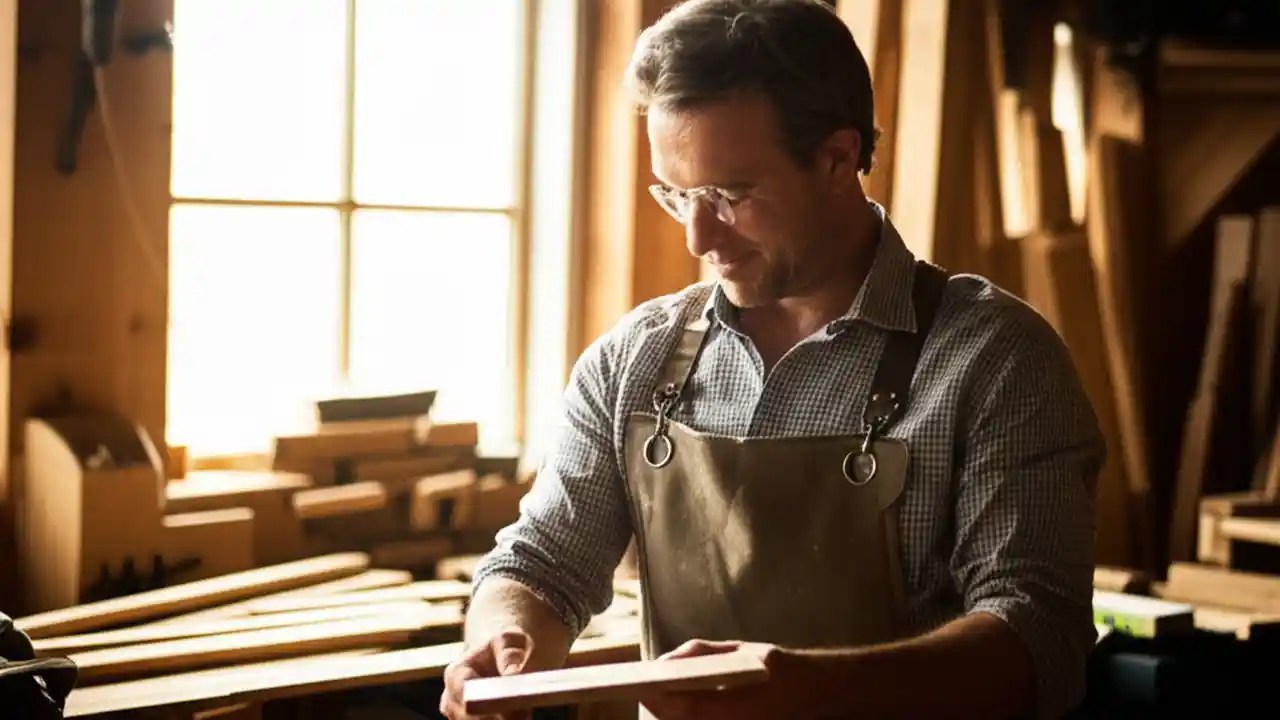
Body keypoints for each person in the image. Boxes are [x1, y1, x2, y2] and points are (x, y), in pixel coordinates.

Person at [440, 1, 1104, 718]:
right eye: (677, 195)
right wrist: (504, 637)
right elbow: (541, 562)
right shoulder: (634, 360)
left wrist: (813, 691)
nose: (698, 237)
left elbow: (1038, 637)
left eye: (730, 194)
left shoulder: (996, 360)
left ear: (838, 158)